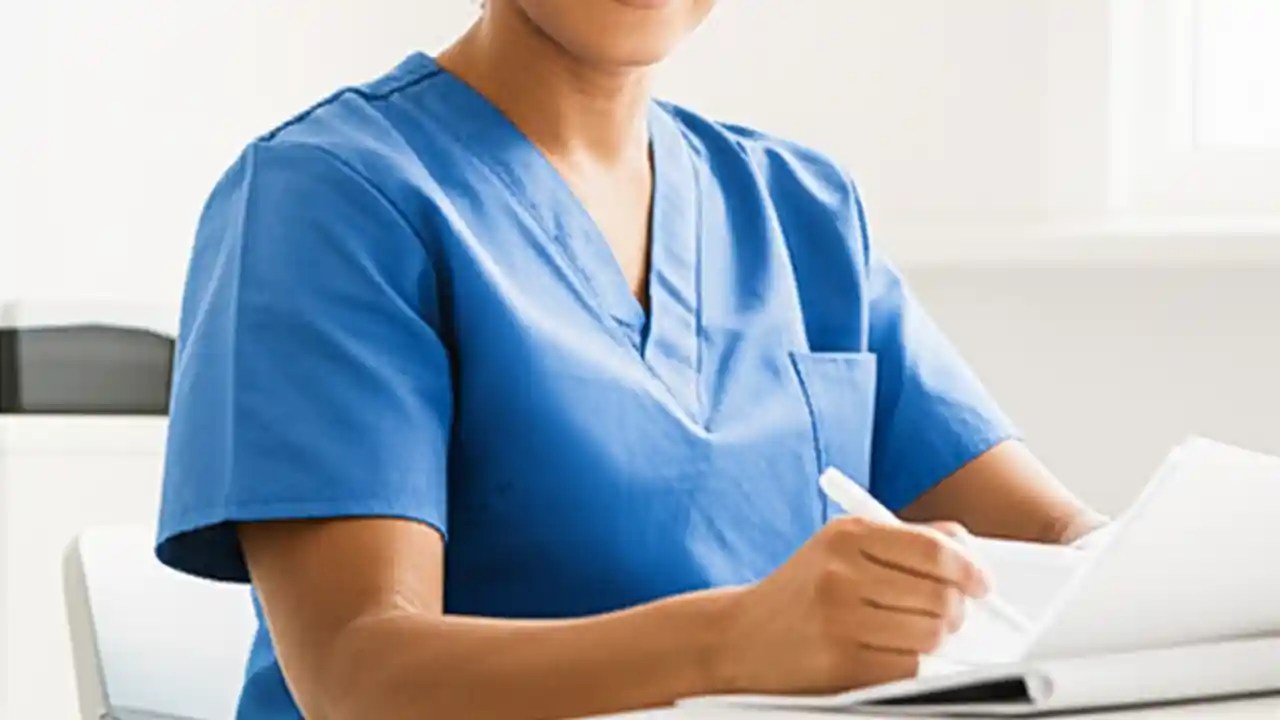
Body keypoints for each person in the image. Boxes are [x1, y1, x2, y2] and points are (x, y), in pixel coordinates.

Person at [157, 1, 1107, 718]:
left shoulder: (800, 210)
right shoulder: (329, 200)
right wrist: (735, 639)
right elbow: (356, 673)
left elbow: (1057, 540)